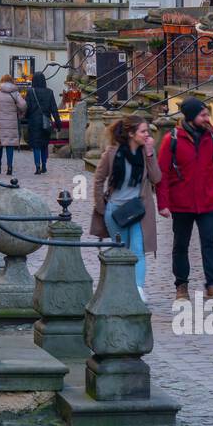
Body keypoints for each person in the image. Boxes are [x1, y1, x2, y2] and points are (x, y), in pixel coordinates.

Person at [157, 97, 213, 301]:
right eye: (203, 114)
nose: (207, 118)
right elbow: (162, 172)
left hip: (208, 201)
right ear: (190, 117)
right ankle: (181, 286)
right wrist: (163, 204)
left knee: (210, 242)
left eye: (207, 114)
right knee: (181, 245)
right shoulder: (171, 139)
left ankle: (212, 285)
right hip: (182, 202)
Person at [91, 116, 163, 303]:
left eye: (147, 131)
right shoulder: (112, 153)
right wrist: (101, 207)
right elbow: (98, 180)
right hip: (115, 211)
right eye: (143, 131)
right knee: (120, 252)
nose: (147, 135)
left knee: (138, 250)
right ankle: (120, 290)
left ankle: (138, 290)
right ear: (131, 134)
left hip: (139, 210)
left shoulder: (145, 153)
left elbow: (156, 178)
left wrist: (150, 154)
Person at [0, 74, 28, 177]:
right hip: (11, 122)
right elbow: (23, 105)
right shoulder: (15, 92)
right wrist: (19, 111)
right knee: (9, 145)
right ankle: (9, 167)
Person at [24, 72, 62, 174]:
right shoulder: (49, 92)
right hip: (46, 122)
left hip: (34, 122)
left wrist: (25, 118)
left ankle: (37, 166)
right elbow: (54, 109)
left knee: (36, 145)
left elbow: (27, 108)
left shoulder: (30, 92)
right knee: (44, 145)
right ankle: (44, 165)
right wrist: (58, 123)